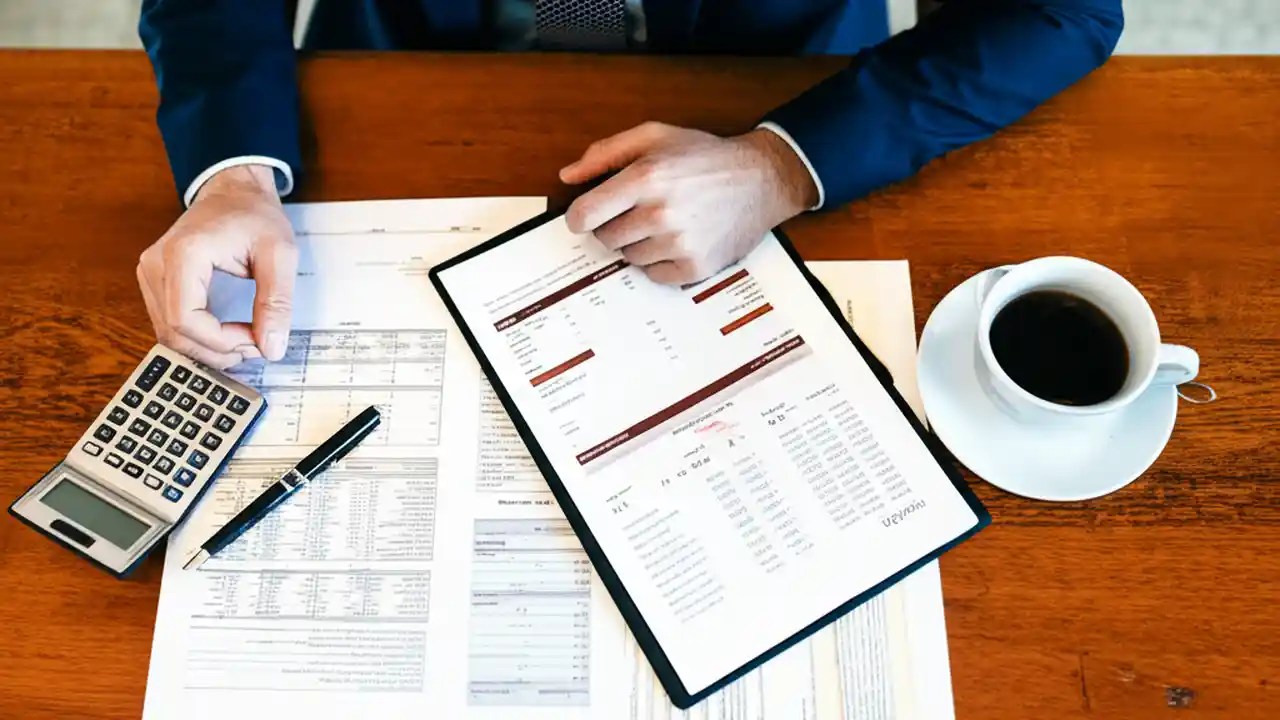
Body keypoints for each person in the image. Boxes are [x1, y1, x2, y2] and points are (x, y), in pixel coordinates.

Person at [137, 0, 1123, 368]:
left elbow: (1060, 9)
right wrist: (231, 172)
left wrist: (783, 162)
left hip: (778, 86)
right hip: (391, 92)